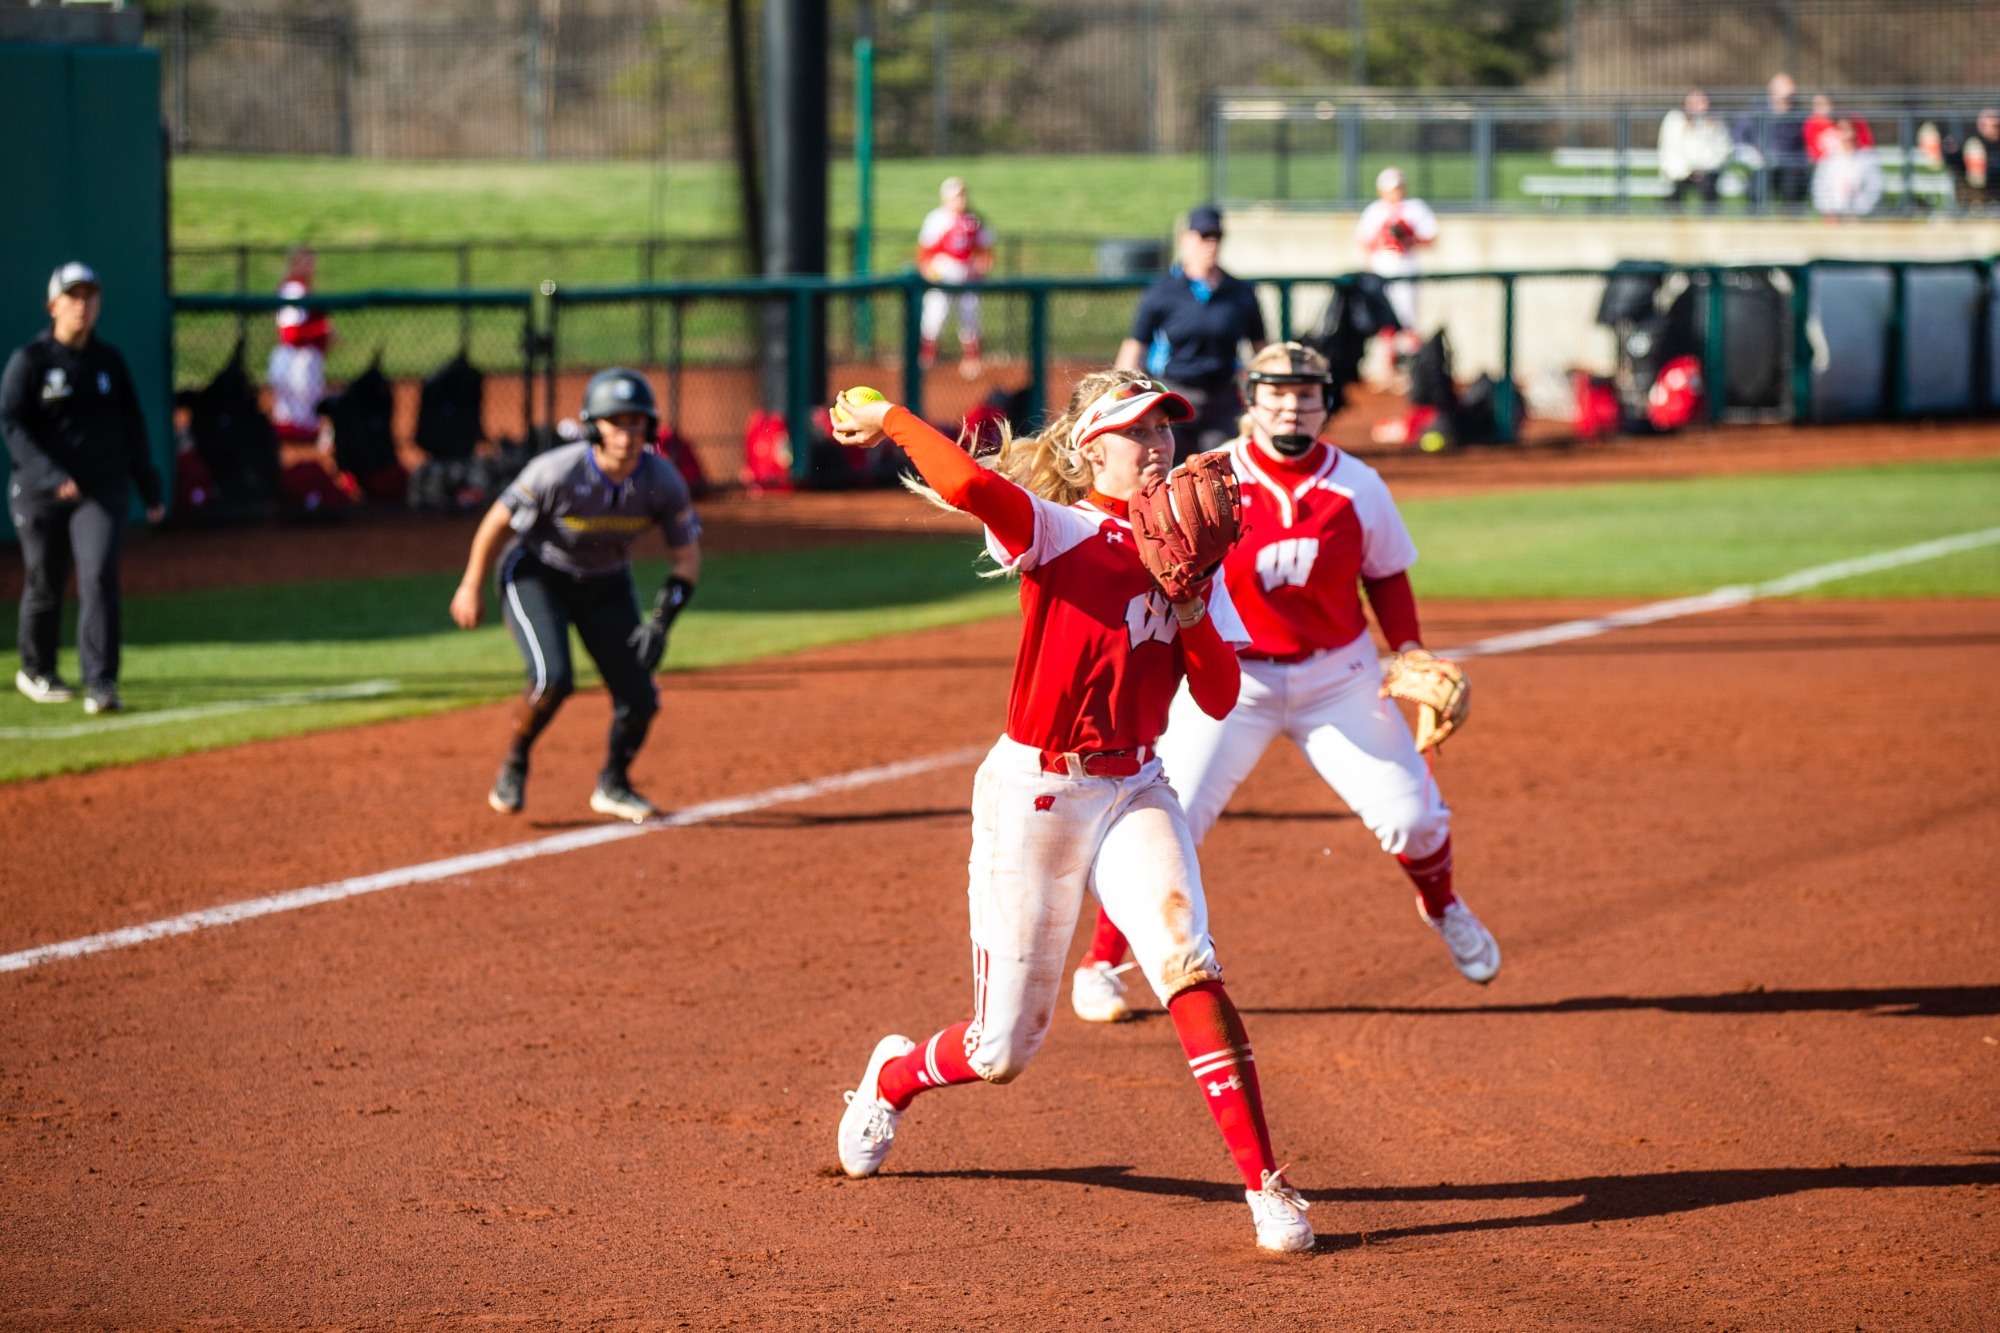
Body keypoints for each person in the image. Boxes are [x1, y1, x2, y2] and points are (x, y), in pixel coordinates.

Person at [827, 370, 1315, 1253]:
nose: (1159, 445)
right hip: (1037, 795)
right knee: (1001, 1051)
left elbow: (1217, 695)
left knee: (1187, 962)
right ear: (1093, 451)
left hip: (1136, 787)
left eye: (1166, 429)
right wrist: (890, 415)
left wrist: (1194, 606)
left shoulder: (1194, 553)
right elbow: (968, 484)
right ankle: (893, 1078)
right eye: (1139, 432)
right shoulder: (1057, 529)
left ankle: (1267, 1187)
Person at [1069, 344, 1499, 1028]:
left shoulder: (1358, 485)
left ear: (1327, 404)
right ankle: (1100, 961)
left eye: (1306, 394)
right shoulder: (1206, 478)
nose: (1292, 407)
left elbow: (1386, 575)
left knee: (1414, 818)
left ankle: (1443, 905)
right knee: (1166, 822)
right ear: (1253, 400)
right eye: (1277, 393)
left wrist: (1410, 648)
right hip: (1234, 683)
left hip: (1340, 677)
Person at [448, 368, 701, 823]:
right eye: (615, 422)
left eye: (636, 422)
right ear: (592, 426)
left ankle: (614, 785)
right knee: (553, 679)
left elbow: (686, 559)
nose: (627, 433)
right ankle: (515, 763)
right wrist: (470, 585)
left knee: (641, 696)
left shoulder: (662, 480)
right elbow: (496, 522)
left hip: (606, 583)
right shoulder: (557, 471)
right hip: (537, 573)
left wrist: (661, 622)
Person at [2, 263, 165, 714]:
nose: (82, 304)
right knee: (46, 581)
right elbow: (11, 424)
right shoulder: (31, 361)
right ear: (53, 305)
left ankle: (101, 682)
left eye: (90, 295)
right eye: (73, 296)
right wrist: (51, 476)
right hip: (41, 491)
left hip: (101, 488)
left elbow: (133, 426)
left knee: (98, 575)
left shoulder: (108, 362)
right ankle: (38, 669)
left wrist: (149, 487)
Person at [1118, 206, 1267, 463]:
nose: (1211, 243)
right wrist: (1120, 391)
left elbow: (1261, 348)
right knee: (1169, 467)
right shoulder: (1163, 290)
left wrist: (1268, 389)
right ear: (1186, 239)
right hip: (1175, 394)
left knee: (1222, 467)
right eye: (1204, 236)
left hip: (1222, 398)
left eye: (1216, 236)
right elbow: (1136, 346)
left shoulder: (1240, 292)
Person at [916, 177, 994, 380]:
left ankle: (971, 359)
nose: (959, 200)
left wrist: (982, 265)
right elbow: (924, 253)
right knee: (935, 316)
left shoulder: (974, 220)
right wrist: (929, 271)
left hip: (968, 278)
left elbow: (985, 252)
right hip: (941, 279)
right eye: (955, 196)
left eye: (962, 195)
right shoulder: (936, 220)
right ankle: (927, 356)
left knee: (970, 318)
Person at [1354, 168, 1437, 353]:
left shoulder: (1415, 208)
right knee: (1386, 323)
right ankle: (1390, 363)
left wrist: (1408, 238)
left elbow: (1430, 238)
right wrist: (1382, 240)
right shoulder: (1375, 211)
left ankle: (1413, 359)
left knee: (1408, 320)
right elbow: (1364, 241)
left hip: (1406, 270)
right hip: (1381, 271)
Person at [268, 247, 331, 447]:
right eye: (307, 261)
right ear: (295, 264)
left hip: (297, 360)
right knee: (301, 424)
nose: (312, 266)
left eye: (313, 261)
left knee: (295, 421)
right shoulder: (294, 289)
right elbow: (290, 333)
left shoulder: (301, 287)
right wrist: (323, 332)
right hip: (296, 362)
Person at [1735, 72, 1811, 208]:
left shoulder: (1799, 114)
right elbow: (1740, 135)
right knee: (1757, 186)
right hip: (1761, 163)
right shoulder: (1756, 111)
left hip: (1789, 165)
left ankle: (1791, 217)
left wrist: (1798, 161)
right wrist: (1751, 153)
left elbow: (1804, 143)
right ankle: (1756, 216)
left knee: (1794, 185)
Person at [1657, 89, 1734, 210]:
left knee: (1709, 194)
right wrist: (1688, 170)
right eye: (1695, 101)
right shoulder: (1675, 121)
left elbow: (1723, 149)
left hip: (1707, 172)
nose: (1700, 105)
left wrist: (1703, 169)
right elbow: (1671, 149)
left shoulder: (1716, 122)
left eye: (1703, 101)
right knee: (1674, 196)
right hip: (1680, 172)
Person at [1812, 119, 1886, 219]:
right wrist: (1828, 211)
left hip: (1861, 216)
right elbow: (1820, 188)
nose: (1846, 135)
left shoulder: (1867, 159)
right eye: (1841, 130)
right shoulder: (1828, 160)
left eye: (1848, 129)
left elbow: (1875, 188)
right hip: (1834, 216)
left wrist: (1859, 211)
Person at [1940, 108, 2000, 210]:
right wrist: (1951, 153)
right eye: (1994, 126)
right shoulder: (1968, 138)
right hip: (1971, 183)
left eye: (1997, 126)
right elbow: (1955, 160)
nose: (1995, 130)